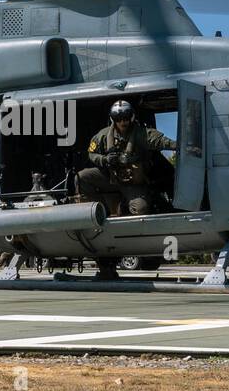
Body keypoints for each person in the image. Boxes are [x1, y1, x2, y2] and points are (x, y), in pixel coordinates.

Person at [76, 99, 177, 280]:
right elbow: (91, 154)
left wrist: (179, 145)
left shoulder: (142, 134)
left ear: (131, 117)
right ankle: (99, 212)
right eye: (119, 117)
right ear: (113, 119)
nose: (123, 121)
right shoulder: (102, 136)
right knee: (83, 177)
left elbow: (161, 141)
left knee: (140, 209)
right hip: (111, 178)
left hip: (134, 183)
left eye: (126, 117)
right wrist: (105, 161)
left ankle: (127, 231)